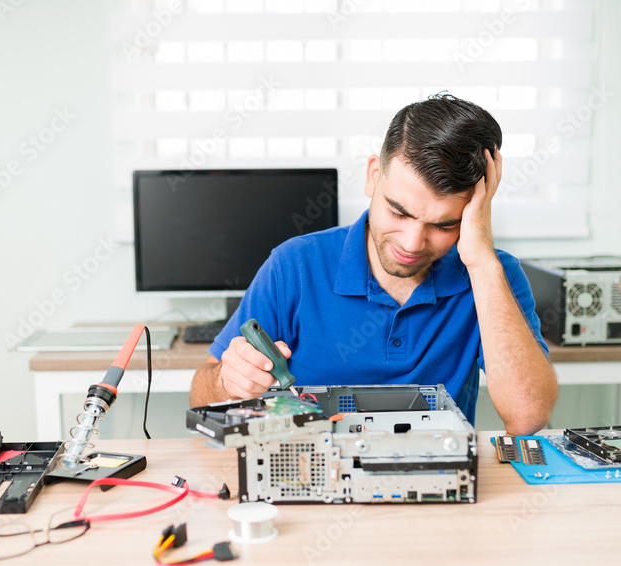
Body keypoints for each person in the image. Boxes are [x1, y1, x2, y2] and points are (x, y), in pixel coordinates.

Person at [189, 92, 558, 435]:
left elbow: (528, 417)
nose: (412, 244)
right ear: (372, 175)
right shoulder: (295, 265)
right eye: (398, 212)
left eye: (445, 224)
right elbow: (201, 398)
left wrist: (481, 263)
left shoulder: (494, 274)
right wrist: (226, 380)